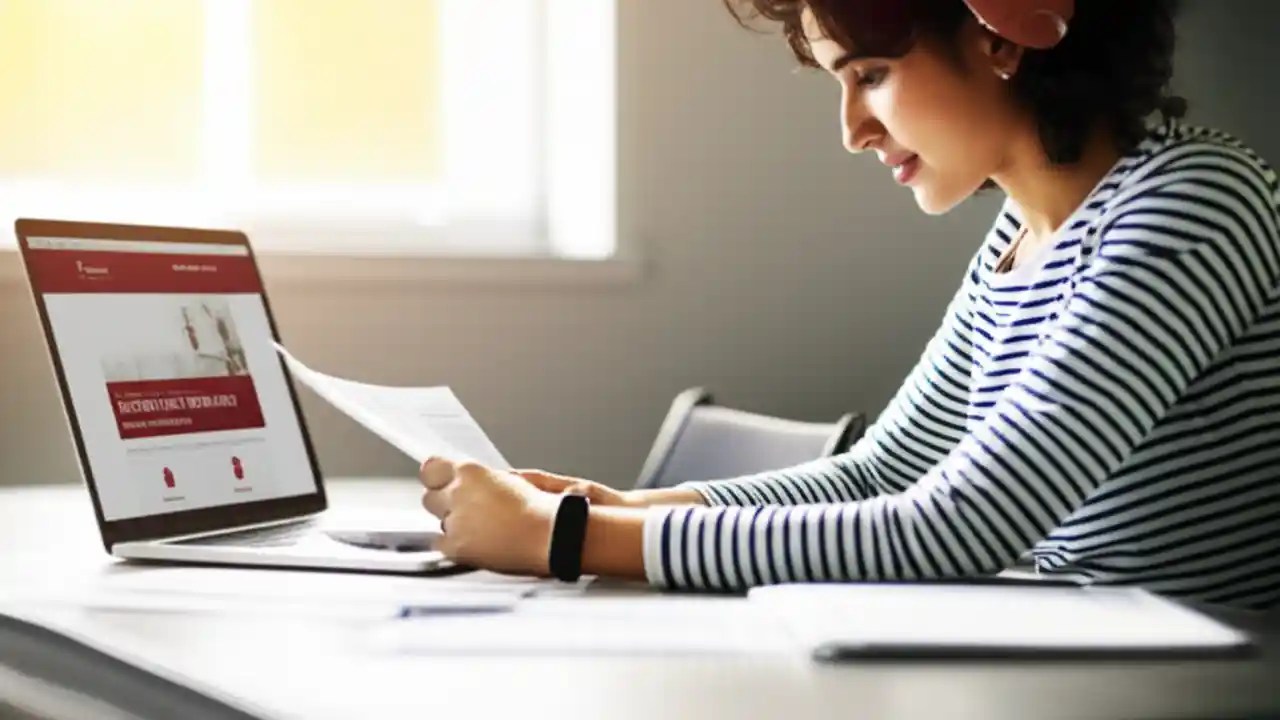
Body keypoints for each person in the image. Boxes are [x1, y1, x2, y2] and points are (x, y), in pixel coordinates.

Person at [417, 0, 1280, 609]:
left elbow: (962, 526)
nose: (852, 129)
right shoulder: (1024, 236)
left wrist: (562, 540)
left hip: (1193, 679)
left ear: (1000, 39)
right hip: (1083, 651)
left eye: (869, 74)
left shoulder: (1194, 201)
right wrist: (614, 509)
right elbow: (884, 473)